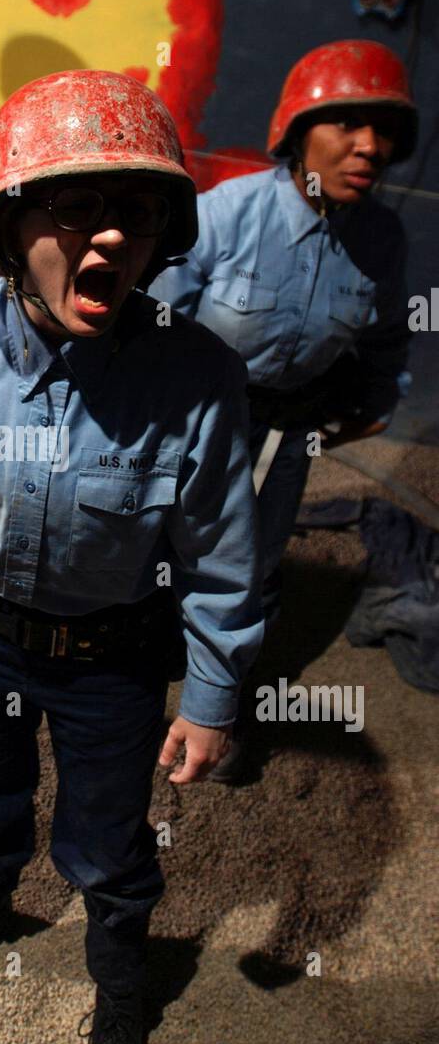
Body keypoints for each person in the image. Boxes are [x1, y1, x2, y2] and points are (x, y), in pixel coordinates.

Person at [0, 70, 265, 1044]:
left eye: (134, 212)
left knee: (109, 846)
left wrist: (213, 698)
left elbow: (221, 554)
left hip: (112, 655)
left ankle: (120, 991)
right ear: (6, 224)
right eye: (74, 206)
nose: (110, 237)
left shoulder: (194, 375)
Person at [151, 39, 418, 780]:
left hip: (288, 429)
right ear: (297, 132)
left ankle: (219, 706)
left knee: (253, 568)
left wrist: (376, 402)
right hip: (195, 416)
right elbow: (154, 326)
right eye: (345, 124)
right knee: (159, 545)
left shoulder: (380, 239)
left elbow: (388, 336)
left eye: (382, 130)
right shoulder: (222, 215)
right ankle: (132, 686)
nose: (369, 146)